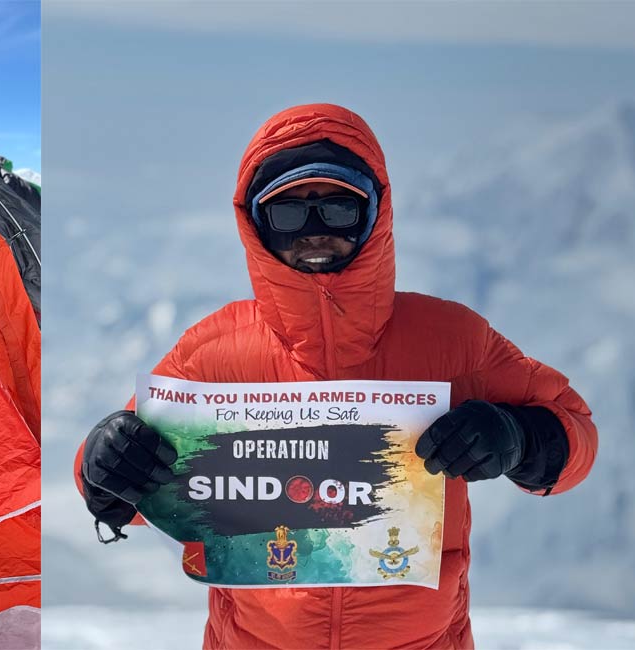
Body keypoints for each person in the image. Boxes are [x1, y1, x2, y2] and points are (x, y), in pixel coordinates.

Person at [76, 104, 597, 648]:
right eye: (289, 214)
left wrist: (515, 437)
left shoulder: (453, 342)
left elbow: (576, 429)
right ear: (256, 226)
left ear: (374, 214)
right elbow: (115, 488)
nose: (315, 231)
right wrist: (103, 460)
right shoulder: (212, 354)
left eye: (338, 208)